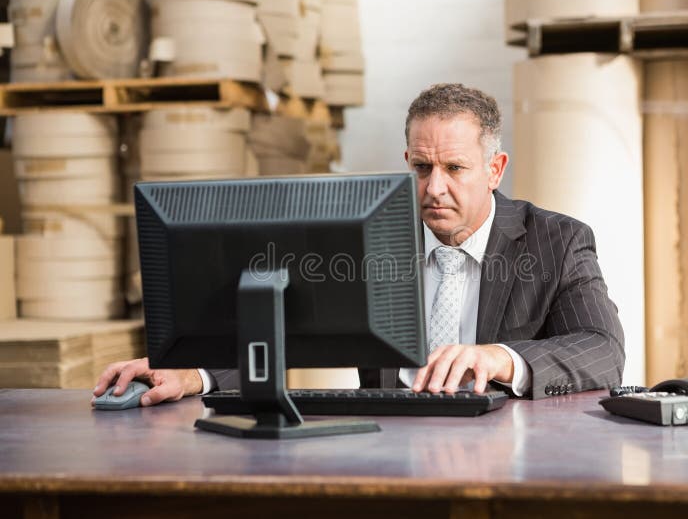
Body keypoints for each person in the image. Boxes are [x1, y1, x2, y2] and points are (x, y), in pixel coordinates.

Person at [92, 83, 624, 407]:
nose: (433, 188)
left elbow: (603, 349)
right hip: (389, 450)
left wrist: (500, 359)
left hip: (507, 457)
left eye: (454, 168)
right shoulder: (366, 241)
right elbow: (290, 333)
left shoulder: (557, 240)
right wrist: (194, 371)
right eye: (421, 168)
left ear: (495, 169)